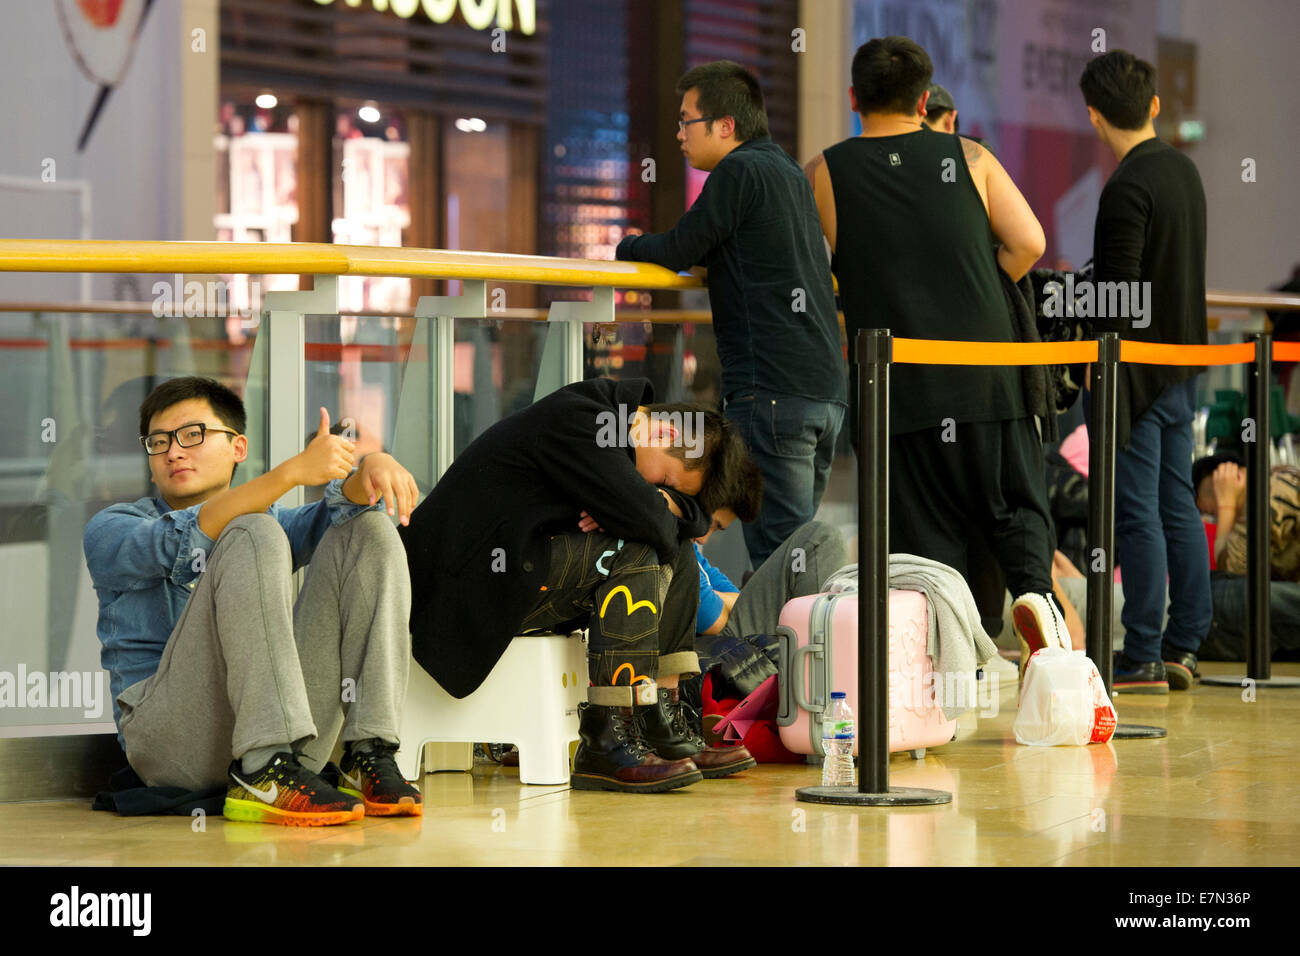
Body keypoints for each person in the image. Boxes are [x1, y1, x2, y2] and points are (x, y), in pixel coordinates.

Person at [804, 36, 1069, 680]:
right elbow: (1030, 241)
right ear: (926, 101)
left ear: (852, 100)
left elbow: (821, 270)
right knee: (1012, 508)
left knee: (926, 543)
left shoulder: (826, 172)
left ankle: (952, 673)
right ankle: (1034, 595)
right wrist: (976, 279)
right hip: (987, 374)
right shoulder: (970, 156)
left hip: (897, 387)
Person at [83, 377, 422, 826]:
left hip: (291, 749)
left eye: (192, 435)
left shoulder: (270, 523)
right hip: (174, 747)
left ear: (238, 447)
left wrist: (372, 465)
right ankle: (264, 767)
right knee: (252, 528)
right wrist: (290, 473)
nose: (174, 452)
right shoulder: (113, 527)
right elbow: (191, 535)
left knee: (370, 532)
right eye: (159, 442)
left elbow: (340, 517)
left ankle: (369, 752)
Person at [400, 377, 760, 793]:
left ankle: (661, 716)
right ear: (664, 432)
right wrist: (647, 511)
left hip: (520, 574)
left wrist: (661, 505)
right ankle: (606, 738)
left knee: (673, 544)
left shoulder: (620, 428)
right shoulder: (583, 422)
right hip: (456, 594)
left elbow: (684, 522)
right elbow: (654, 525)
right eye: (667, 481)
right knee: (638, 549)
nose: (657, 488)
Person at [615, 60, 846, 570]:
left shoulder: (738, 170)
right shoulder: (784, 170)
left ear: (726, 125)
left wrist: (625, 245)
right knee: (798, 550)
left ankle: (788, 651)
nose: (678, 134)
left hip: (773, 393)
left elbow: (677, 248)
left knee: (783, 561)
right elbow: (728, 246)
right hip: (823, 392)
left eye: (685, 121)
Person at [1081, 50, 1211, 693]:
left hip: (1134, 370)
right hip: (1183, 363)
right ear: (1155, 106)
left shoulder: (1127, 185)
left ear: (1094, 116)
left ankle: (1142, 653)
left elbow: (1120, 295)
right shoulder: (1184, 171)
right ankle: (1184, 644)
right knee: (1176, 503)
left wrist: (1083, 338)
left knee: (1137, 514)